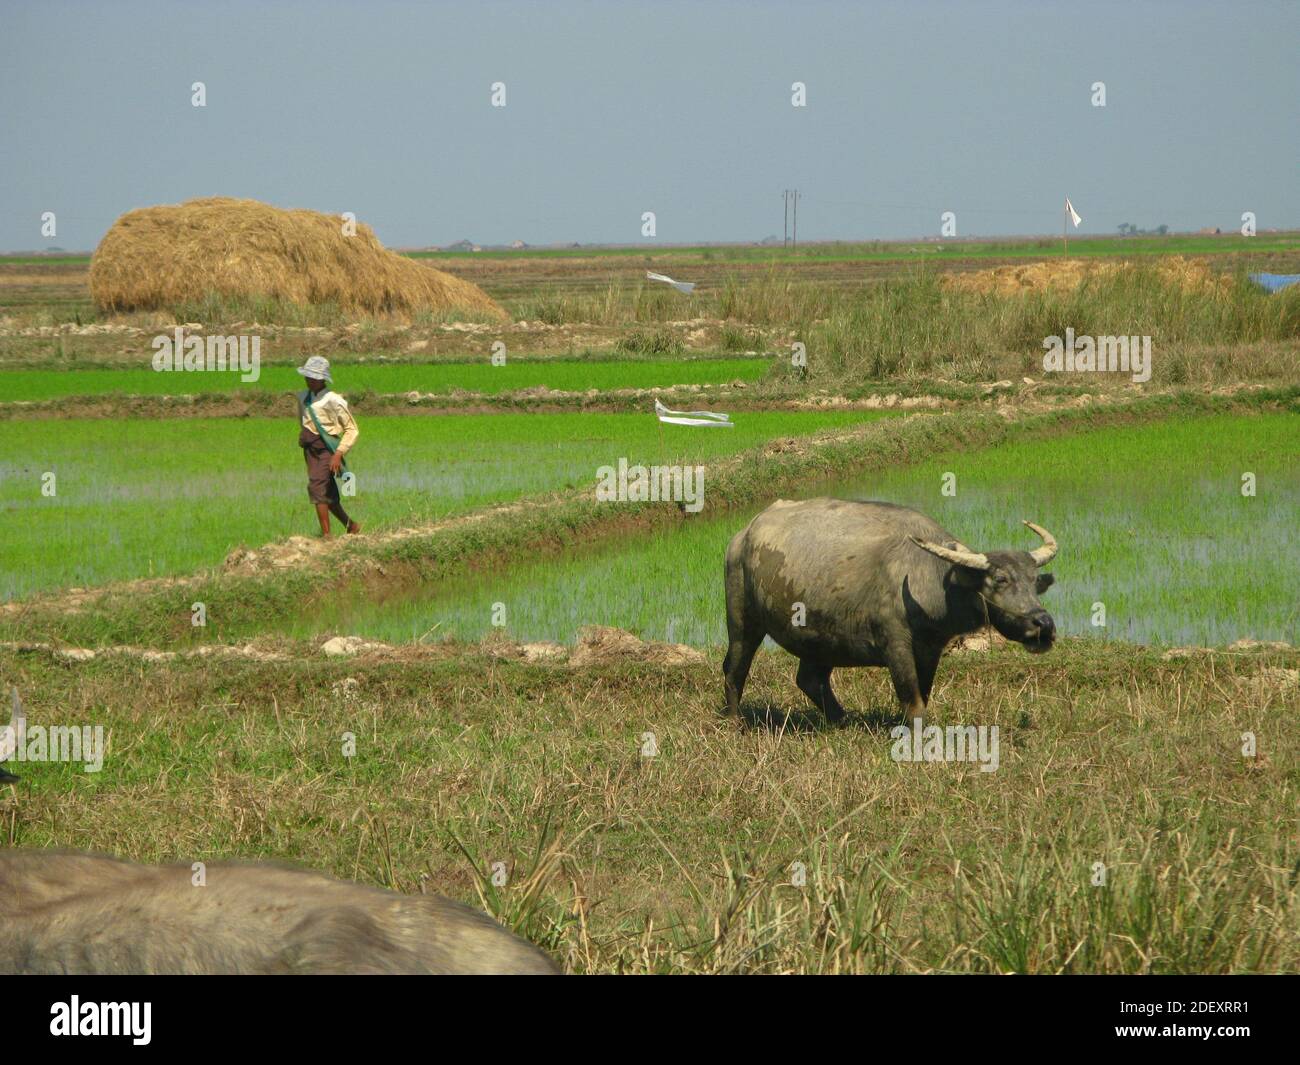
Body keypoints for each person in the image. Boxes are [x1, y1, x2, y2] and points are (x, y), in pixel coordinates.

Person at [295, 356, 361, 538]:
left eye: (312, 377)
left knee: (317, 487)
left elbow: (352, 429)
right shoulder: (302, 397)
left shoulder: (333, 400)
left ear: (321, 379)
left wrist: (338, 454)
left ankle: (327, 536)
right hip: (310, 449)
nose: (308, 380)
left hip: (326, 450)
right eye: (307, 376)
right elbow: (304, 423)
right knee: (327, 493)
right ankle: (351, 526)